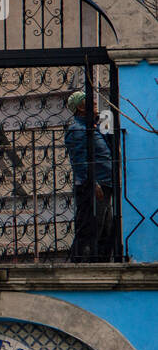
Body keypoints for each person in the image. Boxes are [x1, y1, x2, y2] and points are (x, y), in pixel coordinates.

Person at [65, 90, 115, 261]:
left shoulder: (92, 127)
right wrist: (93, 184)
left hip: (105, 183)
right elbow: (79, 162)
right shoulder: (77, 130)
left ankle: (101, 263)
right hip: (94, 187)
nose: (95, 103)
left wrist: (105, 120)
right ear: (80, 107)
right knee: (91, 227)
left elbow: (108, 145)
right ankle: (83, 264)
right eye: (90, 102)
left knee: (106, 228)